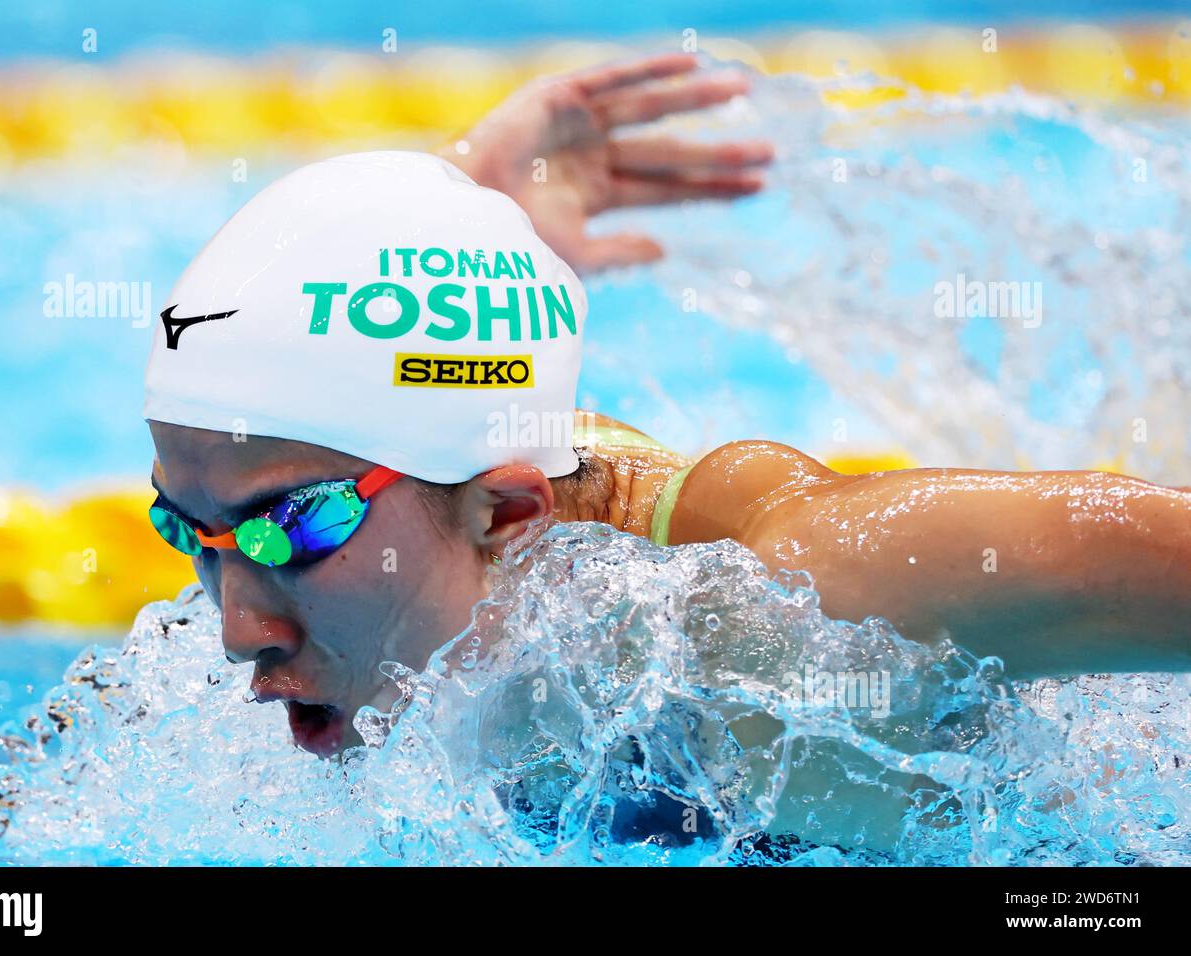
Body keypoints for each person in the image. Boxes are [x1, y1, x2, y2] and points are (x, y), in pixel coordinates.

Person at [142, 53, 1190, 840]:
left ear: (509, 513)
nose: (234, 630)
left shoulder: (789, 616)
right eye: (186, 532)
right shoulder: (427, 508)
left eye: (294, 527)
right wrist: (453, 203)